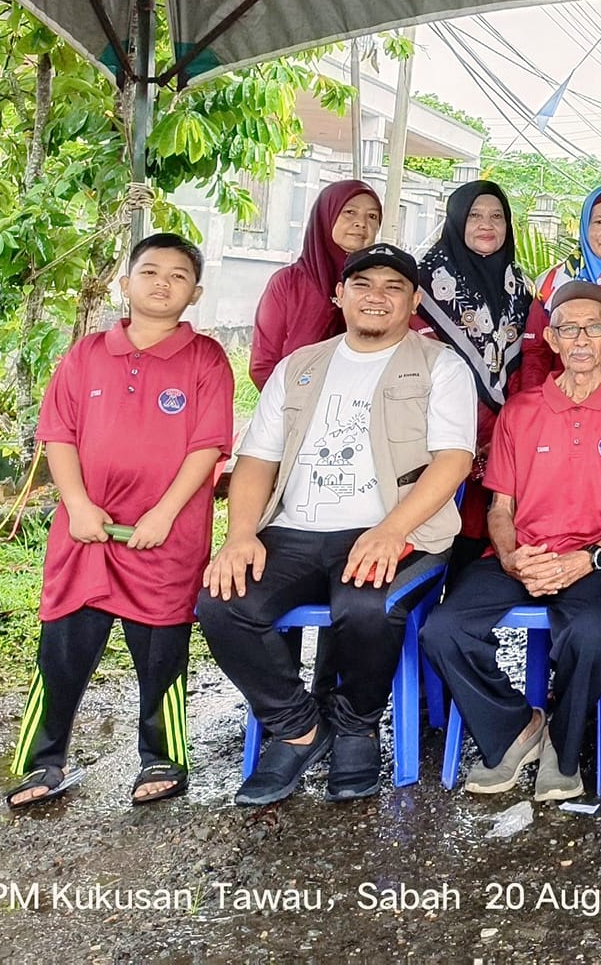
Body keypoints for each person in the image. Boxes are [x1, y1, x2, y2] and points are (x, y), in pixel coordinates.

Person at [197, 243, 475, 806]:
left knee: (366, 605)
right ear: (339, 294)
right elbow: (255, 460)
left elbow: (453, 460)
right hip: (292, 532)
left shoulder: (440, 366)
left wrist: (393, 529)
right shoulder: (298, 367)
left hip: (400, 529)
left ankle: (357, 724)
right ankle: (300, 726)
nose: (377, 297)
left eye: (394, 287)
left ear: (414, 301)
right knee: (221, 602)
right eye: (363, 285)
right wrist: (240, 534)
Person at [7, 234, 235, 810]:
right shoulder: (85, 354)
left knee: (162, 652)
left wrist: (163, 512)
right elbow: (57, 434)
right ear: (124, 283)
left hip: (166, 535)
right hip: (84, 532)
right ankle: (41, 761)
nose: (162, 283)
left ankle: (161, 757)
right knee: (62, 646)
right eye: (150, 271)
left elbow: (208, 447)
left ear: (196, 292)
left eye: (178, 275)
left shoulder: (206, 358)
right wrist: (78, 505)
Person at [423, 282, 601, 802]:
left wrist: (588, 559)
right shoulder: (521, 410)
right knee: (443, 630)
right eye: (569, 328)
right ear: (551, 337)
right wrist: (511, 557)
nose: (582, 339)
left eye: (594, 326)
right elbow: (500, 508)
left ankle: (564, 751)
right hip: (522, 554)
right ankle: (517, 728)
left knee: (592, 637)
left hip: (599, 558)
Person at [417, 181, 534, 570]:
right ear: (455, 221)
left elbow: (525, 364)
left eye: (497, 216)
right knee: (434, 551)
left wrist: (507, 430)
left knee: (487, 551)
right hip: (439, 439)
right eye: (476, 216)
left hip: (505, 439)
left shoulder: (519, 287)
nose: (488, 225)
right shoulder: (424, 285)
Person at [249, 179, 382, 388]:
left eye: (372, 216)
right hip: (296, 407)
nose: (361, 223)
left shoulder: (381, 288)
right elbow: (263, 365)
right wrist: (293, 409)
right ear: (325, 216)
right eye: (349, 212)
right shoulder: (288, 283)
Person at [523, 183, 601, 386]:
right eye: (599, 222)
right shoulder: (553, 283)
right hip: (568, 406)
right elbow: (536, 355)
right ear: (585, 226)